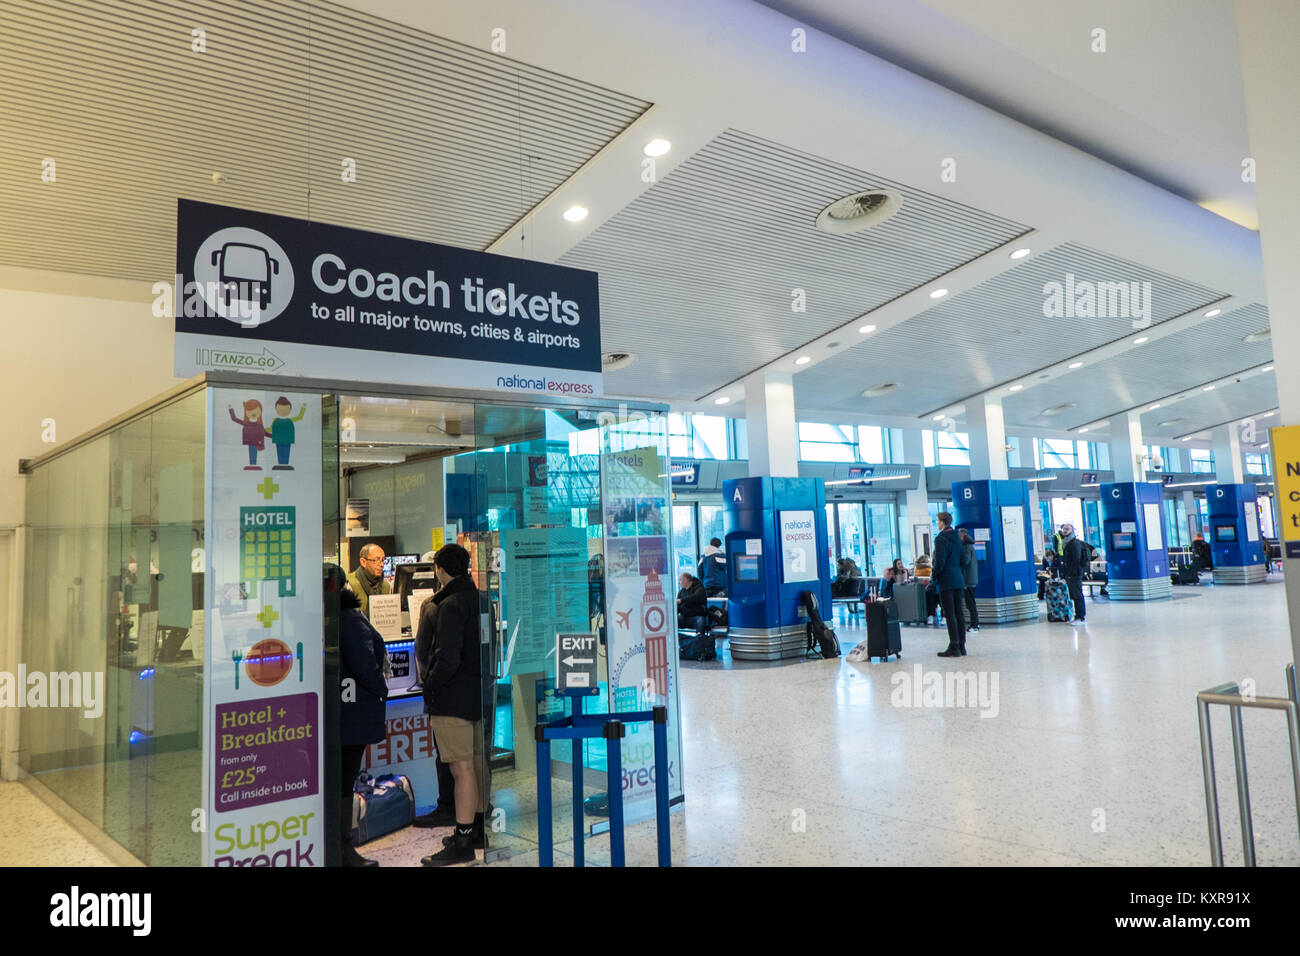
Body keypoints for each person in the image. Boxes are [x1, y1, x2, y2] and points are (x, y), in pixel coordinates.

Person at [415, 544, 488, 866]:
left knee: (460, 770)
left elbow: (447, 657)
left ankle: (462, 841)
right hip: (476, 695)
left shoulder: (449, 604)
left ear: (440, 569)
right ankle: (476, 831)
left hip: (452, 698)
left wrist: (429, 685)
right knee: (474, 765)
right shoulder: (480, 599)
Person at [325, 563, 388, 867]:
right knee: (344, 782)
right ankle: (341, 849)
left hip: (327, 710)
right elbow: (366, 665)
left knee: (330, 782)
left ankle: (330, 846)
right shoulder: (350, 619)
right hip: (352, 713)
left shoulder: (314, 619)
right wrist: (382, 688)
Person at [931, 512, 968, 656]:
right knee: (959, 613)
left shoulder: (940, 539)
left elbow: (939, 561)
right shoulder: (957, 537)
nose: (937, 523)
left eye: (937, 521)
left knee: (950, 614)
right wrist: (957, 570)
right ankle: (962, 646)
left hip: (946, 580)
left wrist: (934, 576)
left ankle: (954, 646)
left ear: (942, 522)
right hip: (958, 580)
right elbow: (963, 560)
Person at [347, 543, 391, 617]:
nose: (382, 564)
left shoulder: (386, 586)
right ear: (363, 562)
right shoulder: (349, 584)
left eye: (383, 560)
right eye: (376, 560)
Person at [1058, 523, 1087, 626]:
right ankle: (1077, 616)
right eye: (1063, 529)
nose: (1065, 531)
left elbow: (1076, 559)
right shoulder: (1066, 542)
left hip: (1074, 573)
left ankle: (1080, 617)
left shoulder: (1074, 543)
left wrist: (1071, 572)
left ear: (1072, 530)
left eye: (1067, 529)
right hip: (1071, 573)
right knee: (1074, 595)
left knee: (1077, 594)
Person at [958, 528, 980, 631]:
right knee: (971, 602)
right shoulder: (970, 546)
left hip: (968, 580)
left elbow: (965, 562)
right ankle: (975, 624)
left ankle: (974, 625)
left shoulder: (966, 547)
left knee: (970, 603)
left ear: (962, 536)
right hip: (971, 578)